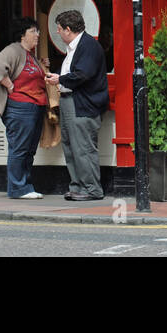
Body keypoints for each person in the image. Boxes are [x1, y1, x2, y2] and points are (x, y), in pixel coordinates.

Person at [0, 19, 54, 200]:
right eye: (33, 31)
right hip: (21, 107)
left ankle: (25, 186)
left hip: (34, 106)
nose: (37, 35)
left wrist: (42, 65)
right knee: (20, 148)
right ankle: (18, 188)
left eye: (38, 31)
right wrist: (9, 86)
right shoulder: (14, 49)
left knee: (28, 150)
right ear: (22, 35)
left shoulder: (29, 54)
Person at [49, 10, 109, 201]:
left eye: (59, 29)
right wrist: (59, 79)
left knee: (83, 147)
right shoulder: (76, 47)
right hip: (71, 102)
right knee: (70, 146)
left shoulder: (88, 46)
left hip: (82, 104)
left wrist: (60, 79)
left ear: (68, 29)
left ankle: (92, 189)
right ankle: (78, 186)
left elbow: (83, 74)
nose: (57, 33)